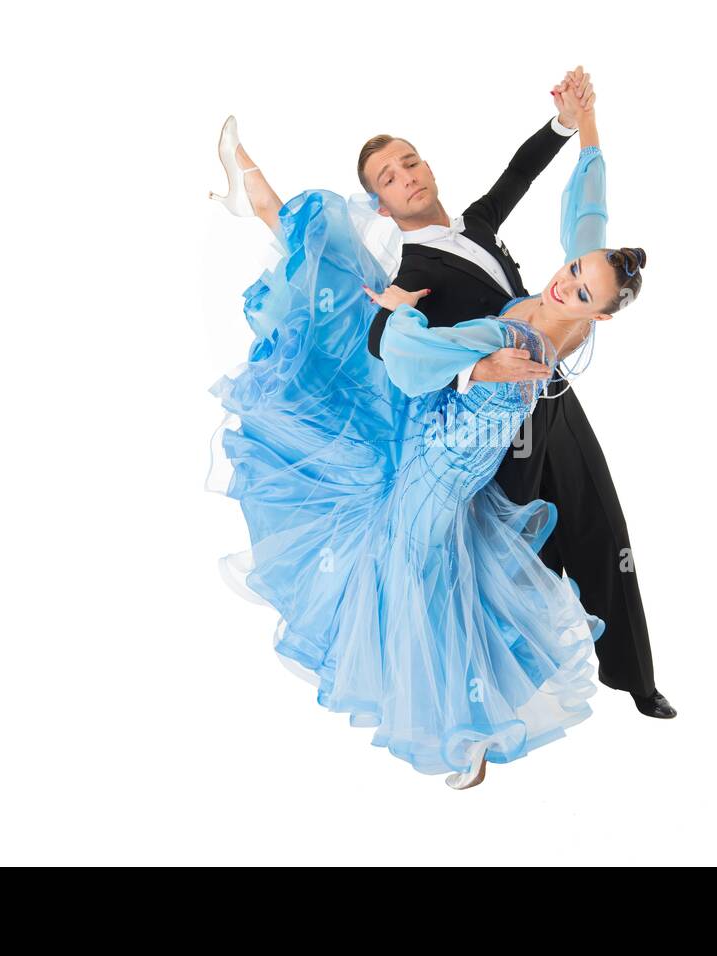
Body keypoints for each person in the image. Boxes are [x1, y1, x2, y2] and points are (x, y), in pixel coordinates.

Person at [205, 77, 647, 789]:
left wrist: (406, 317)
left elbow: (419, 354)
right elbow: (578, 215)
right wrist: (583, 127)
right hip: (436, 445)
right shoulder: (531, 309)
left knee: (449, 585)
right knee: (442, 587)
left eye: (581, 288)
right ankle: (257, 197)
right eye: (570, 270)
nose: (565, 281)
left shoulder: (511, 317)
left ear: (600, 313)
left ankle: (477, 727)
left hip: (458, 457)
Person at [358, 67, 675, 719]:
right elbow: (381, 341)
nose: (407, 176)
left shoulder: (476, 224)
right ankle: (505, 698)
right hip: (501, 419)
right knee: (518, 553)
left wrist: (571, 121)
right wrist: (474, 373)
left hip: (552, 392)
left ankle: (635, 679)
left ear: (429, 167)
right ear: (383, 206)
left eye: (410, 161)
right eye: (389, 177)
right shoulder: (412, 268)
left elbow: (521, 173)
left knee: (602, 524)